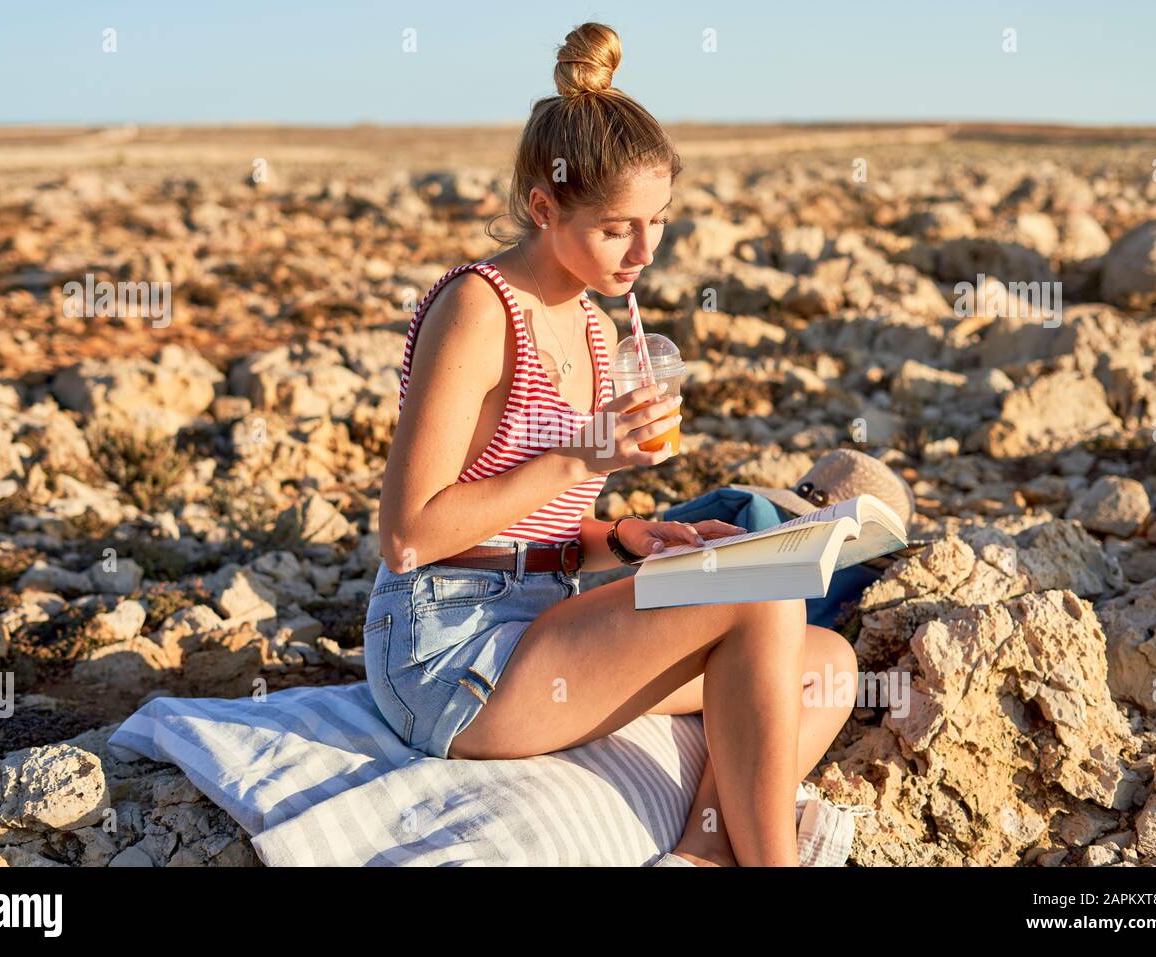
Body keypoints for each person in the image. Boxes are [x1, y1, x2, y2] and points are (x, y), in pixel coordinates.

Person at [367, 22, 858, 867]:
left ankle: (700, 856)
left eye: (659, 221)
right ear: (544, 206)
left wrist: (626, 538)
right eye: (617, 228)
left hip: (542, 614)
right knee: (762, 599)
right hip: (449, 647)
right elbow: (411, 535)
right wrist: (586, 454)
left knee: (826, 662)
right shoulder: (478, 311)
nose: (645, 251)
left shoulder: (598, 328)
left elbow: (541, 533)